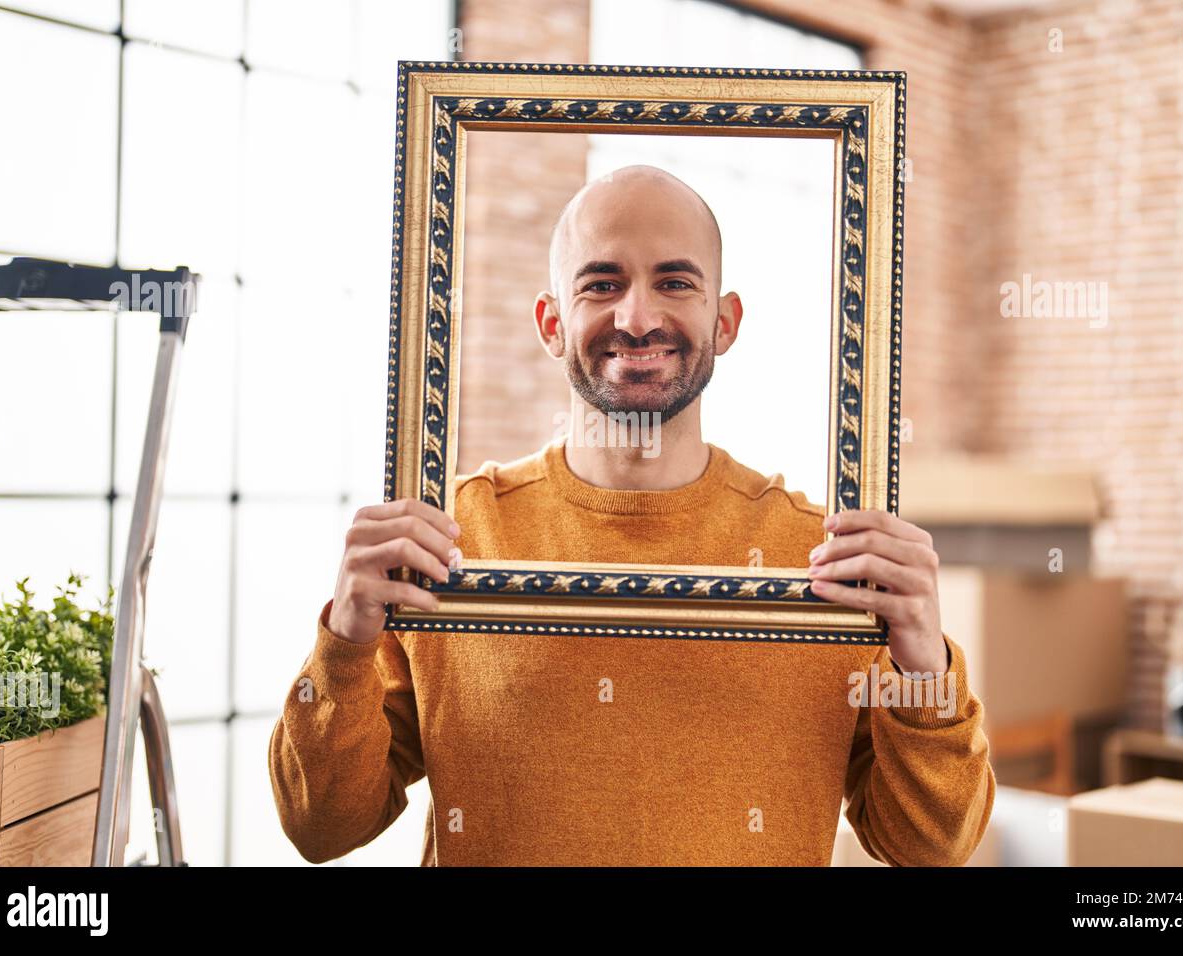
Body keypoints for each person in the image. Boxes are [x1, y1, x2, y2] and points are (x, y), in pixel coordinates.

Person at [268, 165, 995, 866]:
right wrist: (345, 640)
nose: (637, 318)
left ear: (725, 320)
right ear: (552, 323)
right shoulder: (450, 538)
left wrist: (925, 663)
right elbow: (322, 825)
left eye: (674, 281)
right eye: (602, 284)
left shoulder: (825, 561)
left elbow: (929, 847)